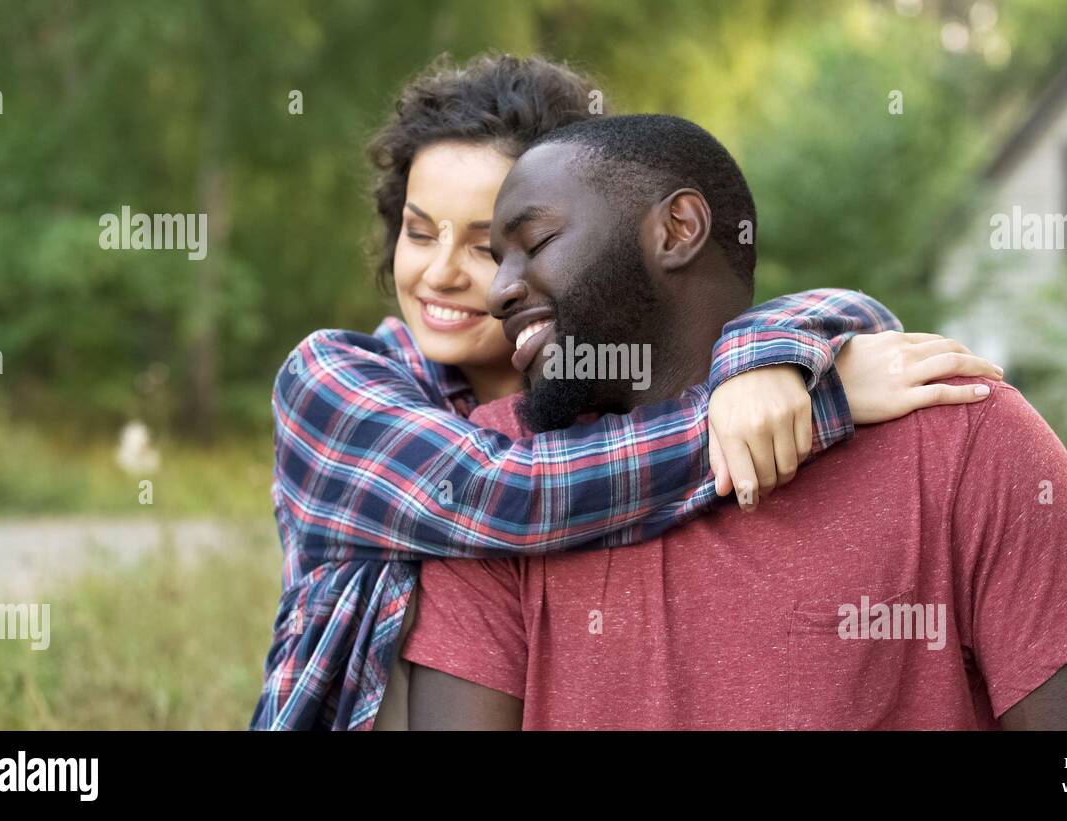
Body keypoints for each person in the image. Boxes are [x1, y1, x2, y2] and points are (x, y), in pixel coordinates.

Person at [251, 56, 1002, 731]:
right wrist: (810, 400)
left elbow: (823, 318)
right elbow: (502, 491)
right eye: (419, 232)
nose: (442, 272)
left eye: (488, 246)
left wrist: (771, 361)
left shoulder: (597, 391)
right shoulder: (332, 381)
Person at [402, 114, 1067, 730]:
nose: (497, 290)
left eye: (531, 244)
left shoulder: (960, 432)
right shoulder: (496, 485)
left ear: (677, 229)